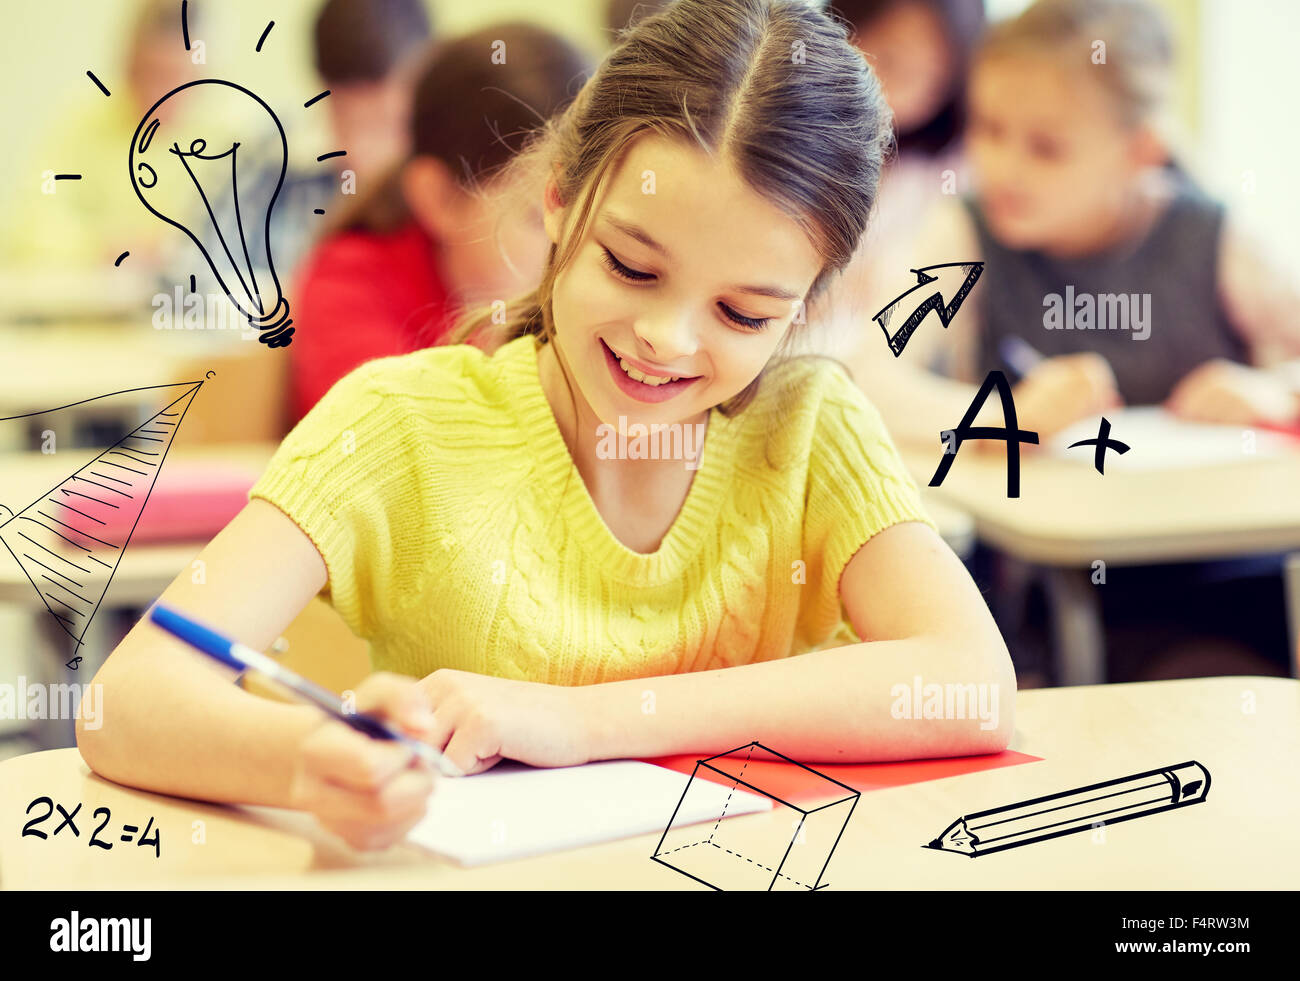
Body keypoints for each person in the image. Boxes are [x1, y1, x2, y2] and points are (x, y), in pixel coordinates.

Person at [78, 0, 1015, 852]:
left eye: (743, 314)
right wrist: (304, 761)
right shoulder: (401, 422)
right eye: (633, 267)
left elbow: (970, 682)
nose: (666, 339)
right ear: (560, 198)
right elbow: (129, 698)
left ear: (811, 300)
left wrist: (582, 720)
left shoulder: (809, 427)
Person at [844, 0, 1300, 445]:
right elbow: (867, 373)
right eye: (989, 128)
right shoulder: (963, 230)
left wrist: (1277, 393)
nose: (1003, 169)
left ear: (1140, 153)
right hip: (1027, 516)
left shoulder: (1217, 238)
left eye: (1047, 148)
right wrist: (1005, 416)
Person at [288, 22, 593, 421]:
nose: (570, 246)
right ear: (440, 199)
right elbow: (391, 443)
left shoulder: (575, 297)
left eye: (586, 218)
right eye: (537, 218)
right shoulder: (349, 284)